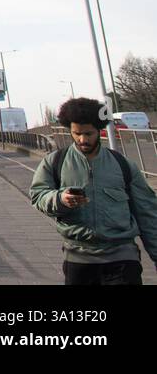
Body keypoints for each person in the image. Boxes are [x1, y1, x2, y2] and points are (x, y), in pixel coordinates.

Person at [29, 97, 157, 285]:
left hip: (122, 258)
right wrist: (60, 199)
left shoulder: (123, 165)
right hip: (78, 260)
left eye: (88, 134)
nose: (82, 139)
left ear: (99, 130)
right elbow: (38, 195)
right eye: (77, 133)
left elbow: (148, 213)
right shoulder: (55, 162)